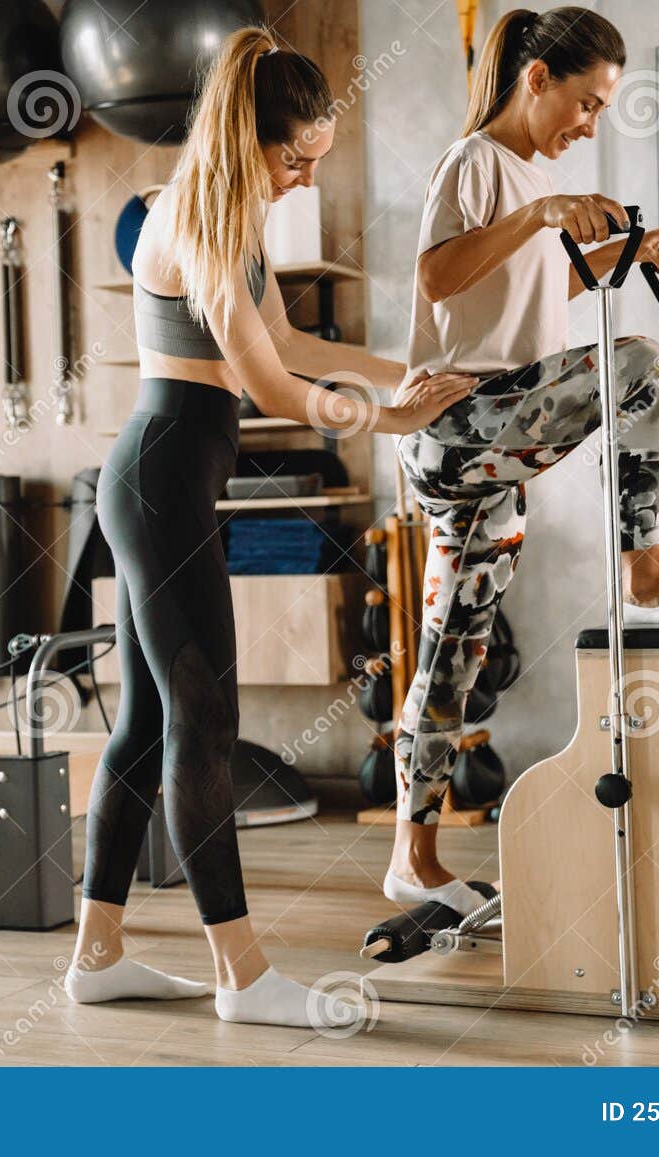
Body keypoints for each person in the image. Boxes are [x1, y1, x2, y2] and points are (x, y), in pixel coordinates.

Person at [64, 27, 476, 1027]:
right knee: (202, 723)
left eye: (315, 162)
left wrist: (403, 373)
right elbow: (266, 384)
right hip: (160, 478)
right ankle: (241, 976)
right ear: (247, 136)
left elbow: (294, 339)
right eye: (292, 157)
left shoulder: (234, 215)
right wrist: (388, 420)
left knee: (148, 725)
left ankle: (96, 955)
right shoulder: (198, 225)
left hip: (168, 478)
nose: (300, 177)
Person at [383, 6, 659, 909]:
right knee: (642, 366)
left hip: (494, 443)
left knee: (453, 652)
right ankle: (647, 570)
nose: (589, 125)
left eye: (601, 111)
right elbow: (438, 276)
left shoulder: (520, 180)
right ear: (538, 78)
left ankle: (412, 853)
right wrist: (545, 212)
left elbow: (535, 281)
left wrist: (621, 250)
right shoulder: (475, 162)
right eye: (585, 104)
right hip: (457, 423)